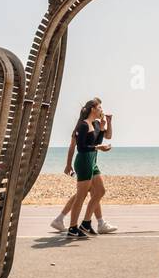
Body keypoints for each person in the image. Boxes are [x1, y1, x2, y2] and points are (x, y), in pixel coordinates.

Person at [50, 98, 118, 237]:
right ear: (93, 109)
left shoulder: (97, 124)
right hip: (83, 161)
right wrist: (68, 164)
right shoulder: (83, 125)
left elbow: (103, 139)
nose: (102, 110)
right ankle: (73, 228)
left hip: (92, 161)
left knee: (100, 191)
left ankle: (86, 223)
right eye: (99, 108)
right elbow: (80, 147)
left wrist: (107, 124)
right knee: (81, 196)